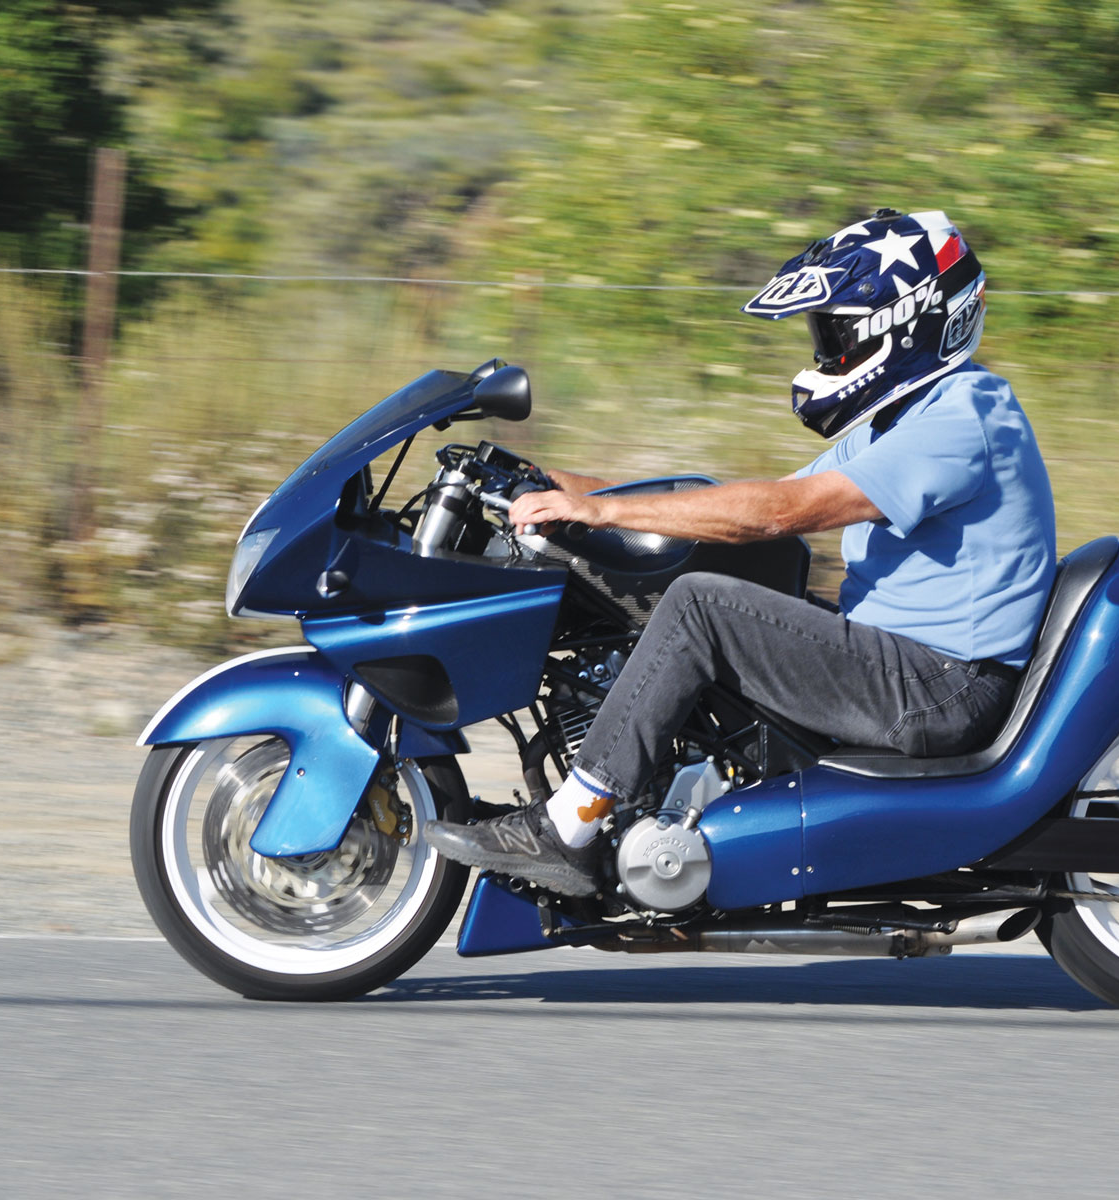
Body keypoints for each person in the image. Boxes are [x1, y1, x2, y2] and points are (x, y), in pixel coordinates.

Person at [424, 209, 1056, 898]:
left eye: (838, 332)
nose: (827, 353)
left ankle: (567, 831)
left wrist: (600, 512)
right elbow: (751, 497)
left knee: (702, 607)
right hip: (907, 662)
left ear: (905, 324)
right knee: (714, 584)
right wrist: (553, 484)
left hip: (939, 685)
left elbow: (783, 515)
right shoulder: (908, 415)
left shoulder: (964, 414)